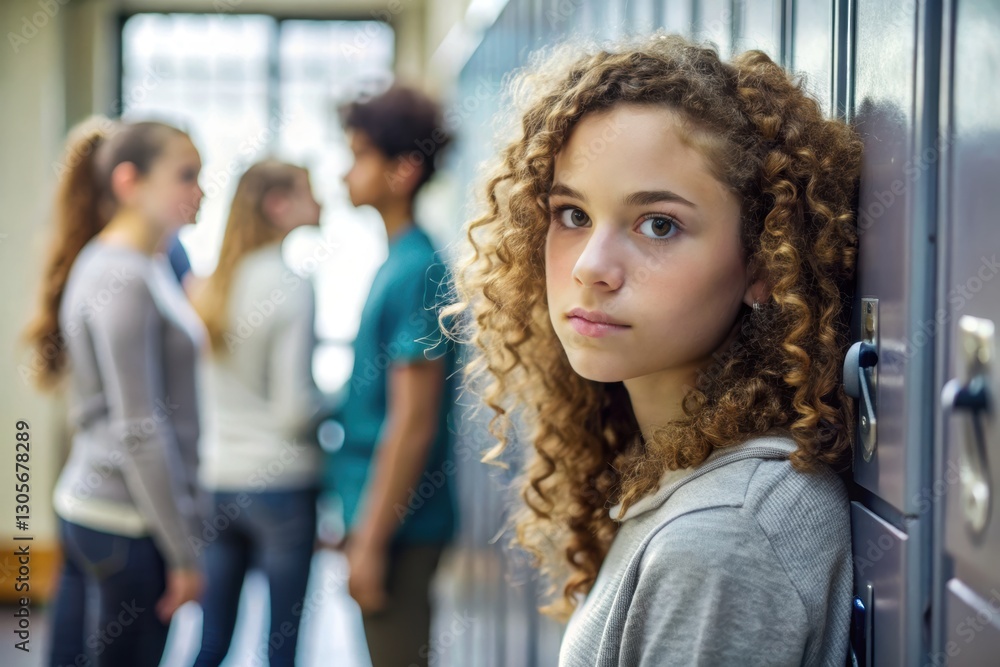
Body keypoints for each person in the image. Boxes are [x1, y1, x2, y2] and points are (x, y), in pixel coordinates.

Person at [448, 34, 864, 666]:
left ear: (763, 264)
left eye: (659, 225)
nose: (591, 267)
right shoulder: (683, 478)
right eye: (573, 215)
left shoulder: (725, 534)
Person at [23, 117, 206, 666]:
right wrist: (184, 553)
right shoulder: (122, 275)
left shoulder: (139, 264)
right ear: (129, 182)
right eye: (186, 175)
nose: (201, 191)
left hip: (102, 512)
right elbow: (139, 428)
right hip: (127, 522)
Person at [325, 86, 457, 667]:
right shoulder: (397, 260)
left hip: (403, 529)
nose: (345, 172)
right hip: (381, 517)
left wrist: (371, 541)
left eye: (360, 156)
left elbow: (413, 421)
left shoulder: (418, 269)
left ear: (403, 170)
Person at [191, 160, 327, 667]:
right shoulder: (291, 284)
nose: (321, 201)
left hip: (218, 480)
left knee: (211, 642)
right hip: (282, 486)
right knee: (281, 649)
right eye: (309, 191)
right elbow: (295, 411)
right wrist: (341, 403)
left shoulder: (211, 284)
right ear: (277, 204)